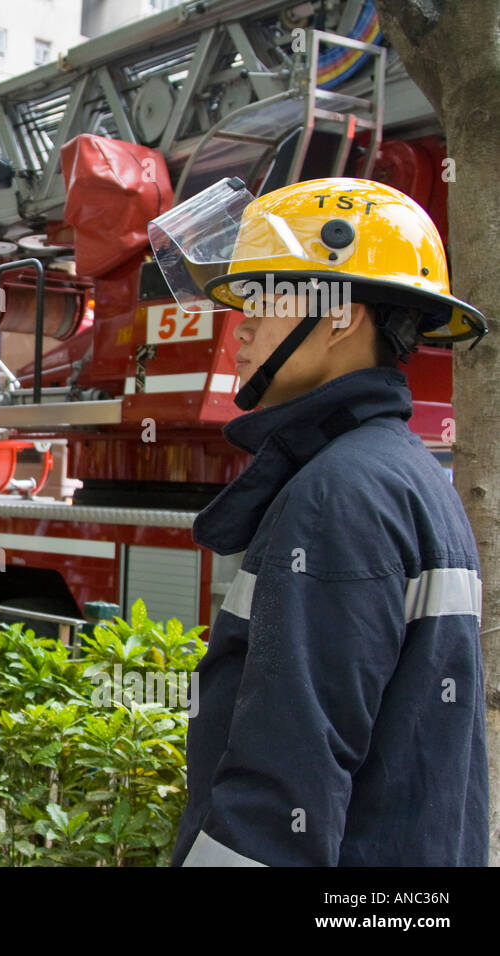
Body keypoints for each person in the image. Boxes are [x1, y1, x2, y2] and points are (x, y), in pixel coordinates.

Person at [148, 176, 488, 866]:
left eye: (264, 298)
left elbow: (284, 785)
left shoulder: (339, 493)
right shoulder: (406, 474)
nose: (239, 324)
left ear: (339, 315)